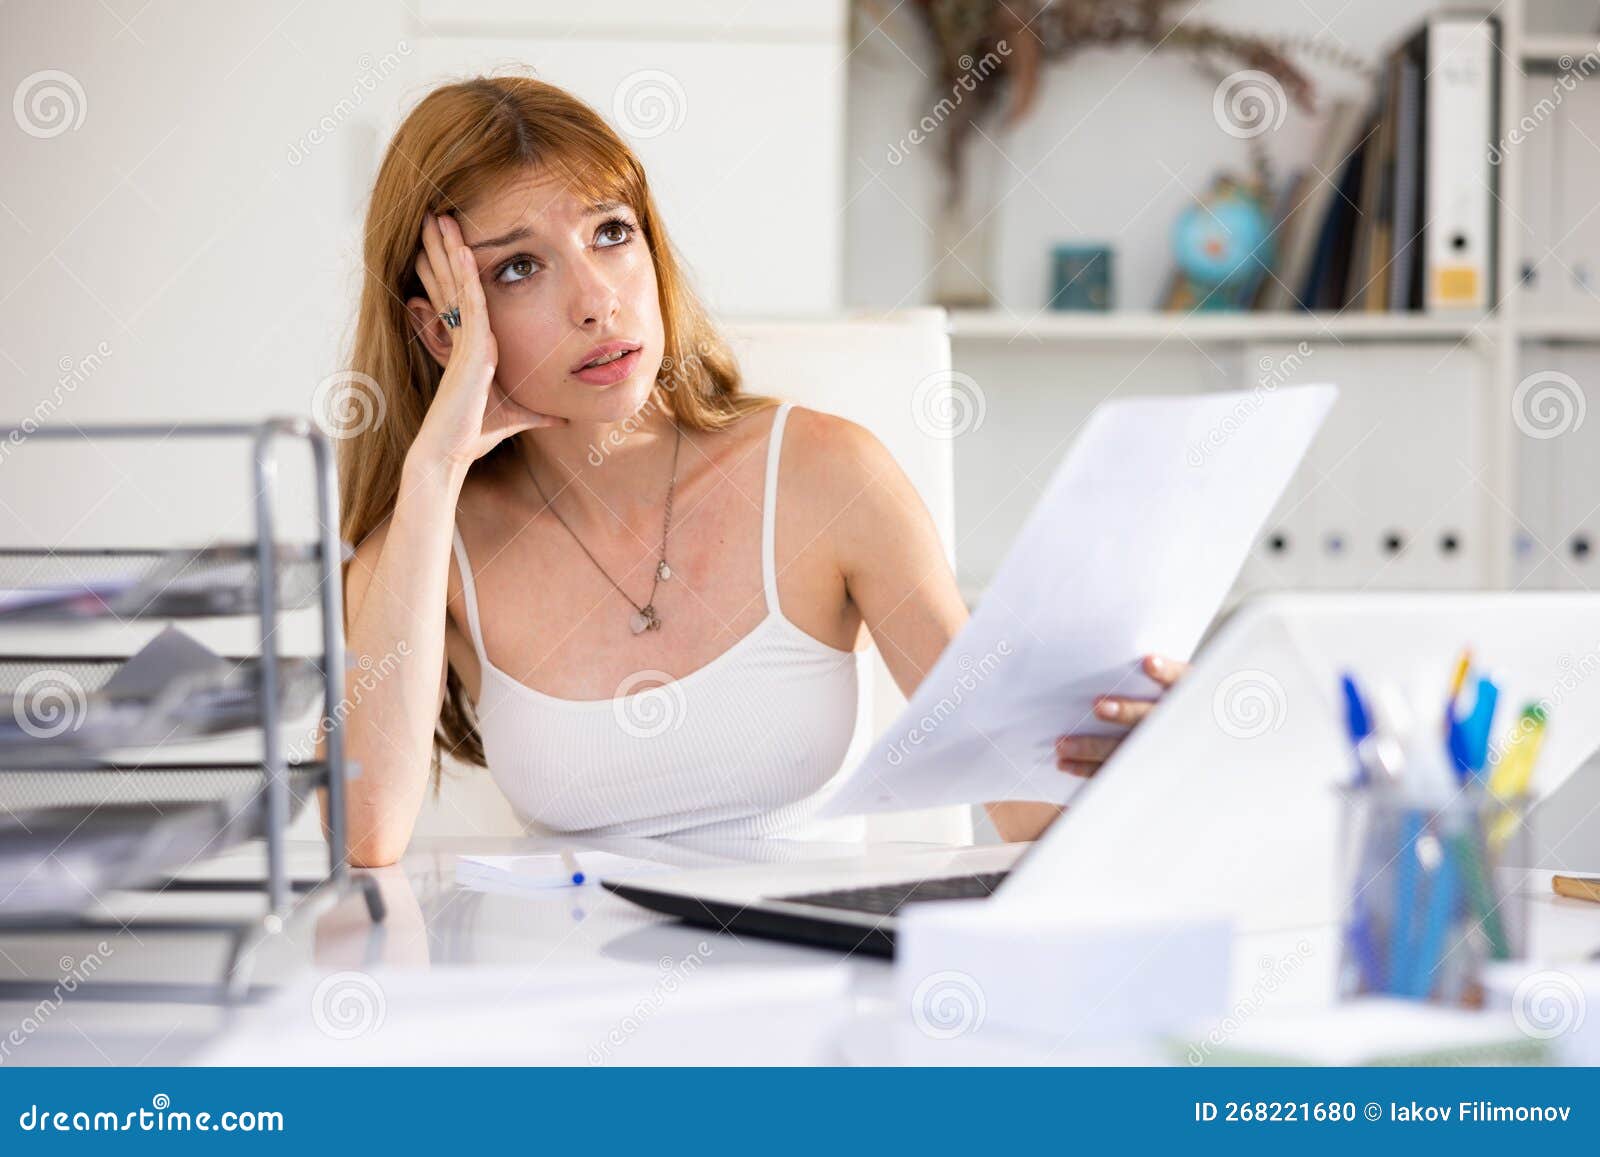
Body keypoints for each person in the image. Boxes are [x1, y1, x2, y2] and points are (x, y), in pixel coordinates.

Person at [323, 75, 1186, 867]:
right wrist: (433, 472)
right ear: (445, 329)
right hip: (569, 1003)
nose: (597, 300)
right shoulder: (423, 546)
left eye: (610, 233)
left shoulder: (827, 473)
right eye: (518, 267)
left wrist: (1149, 753)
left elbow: (1026, 804)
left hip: (813, 998)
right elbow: (365, 834)